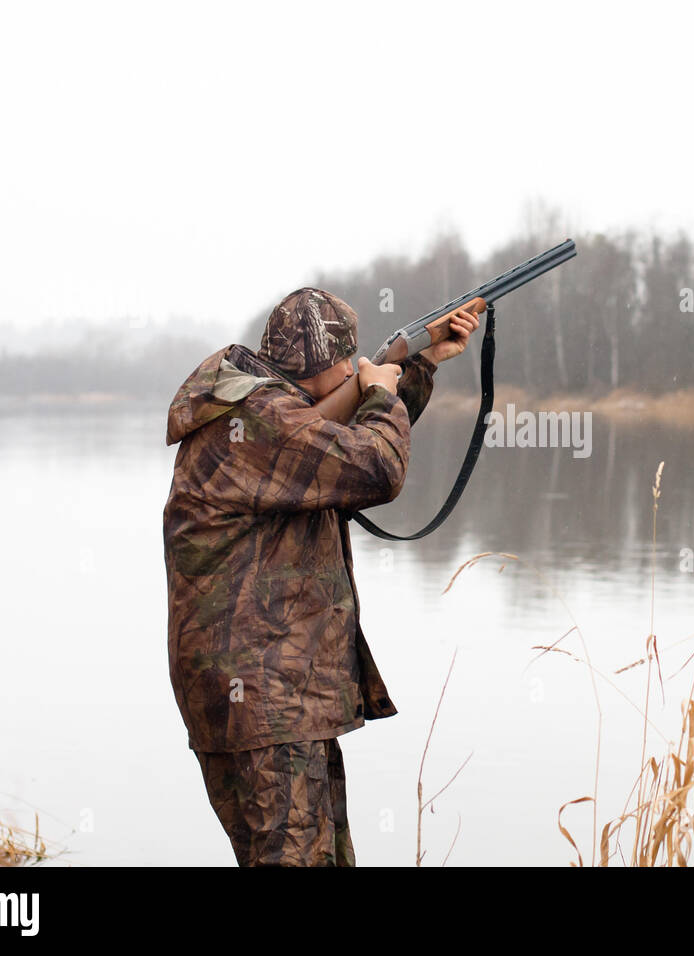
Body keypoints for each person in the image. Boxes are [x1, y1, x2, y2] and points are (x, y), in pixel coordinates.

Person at [162, 287, 478, 866]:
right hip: (264, 702)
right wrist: (379, 391)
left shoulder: (259, 408)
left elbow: (335, 450)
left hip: (274, 699)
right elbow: (374, 467)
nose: (356, 368)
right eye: (350, 362)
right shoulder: (259, 420)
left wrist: (421, 364)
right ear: (330, 366)